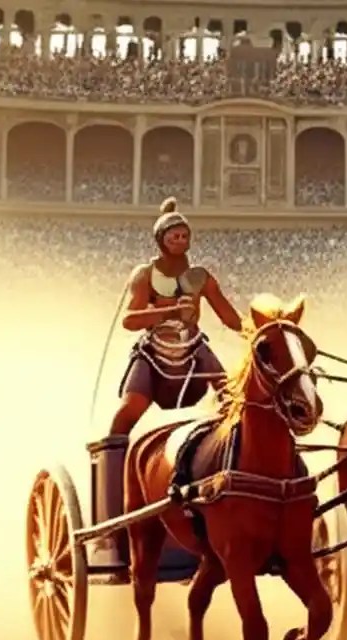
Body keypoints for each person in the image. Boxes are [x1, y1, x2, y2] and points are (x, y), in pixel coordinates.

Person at [87, 198, 244, 569]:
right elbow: (130, 319)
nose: (181, 238)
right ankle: (113, 513)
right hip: (154, 356)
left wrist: (259, 332)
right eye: (174, 234)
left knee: (234, 398)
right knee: (126, 414)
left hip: (192, 352)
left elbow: (227, 314)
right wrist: (170, 311)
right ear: (161, 239)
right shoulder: (144, 274)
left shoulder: (201, 276)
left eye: (185, 234)